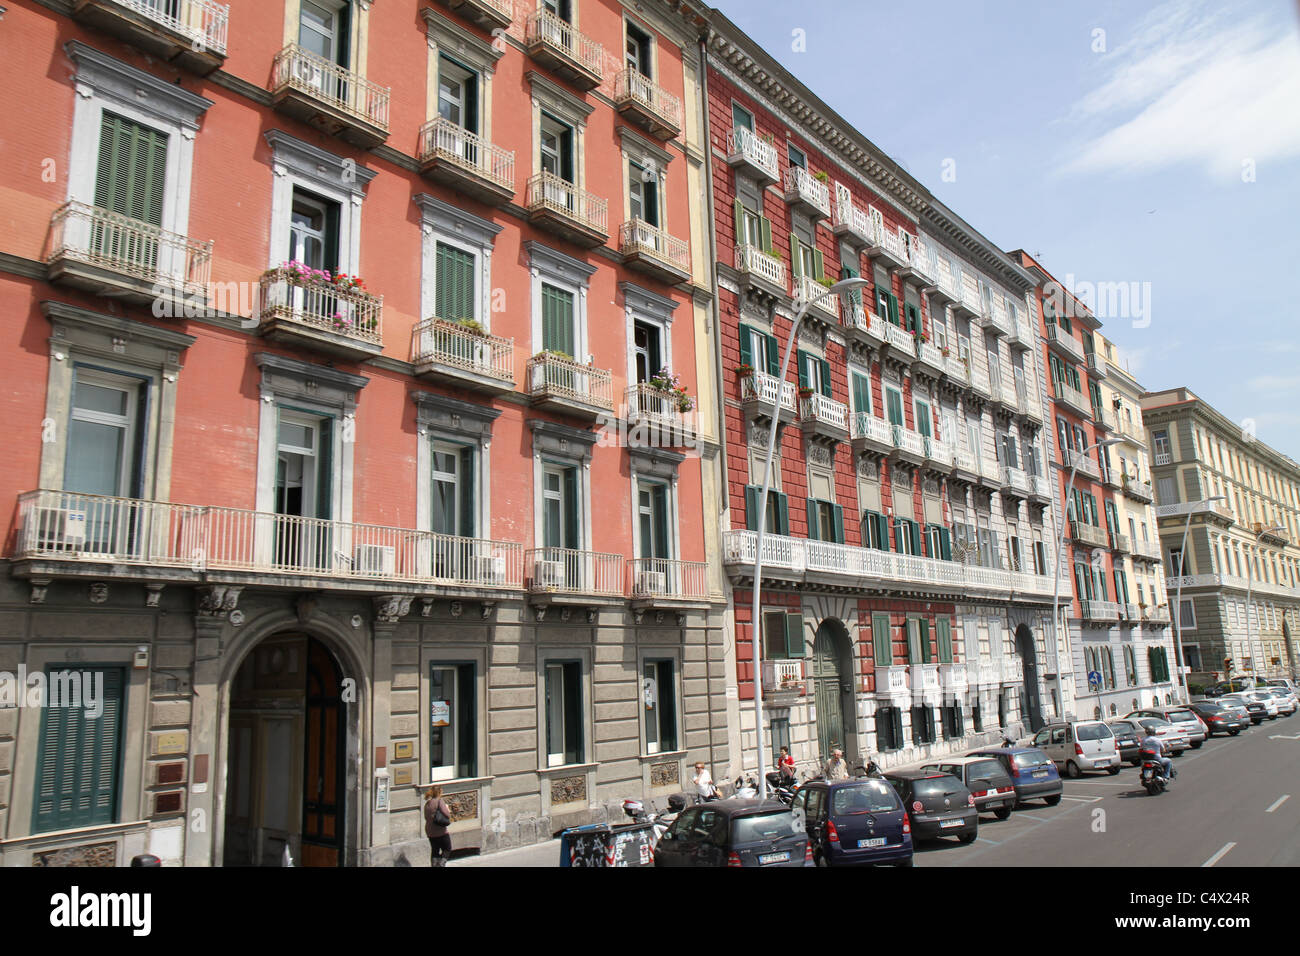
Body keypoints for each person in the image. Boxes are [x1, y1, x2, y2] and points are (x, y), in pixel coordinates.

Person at [423, 785, 453, 866]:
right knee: (447, 848)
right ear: (439, 792)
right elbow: (447, 815)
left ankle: (434, 865)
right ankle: (441, 864)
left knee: (435, 850)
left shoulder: (427, 803)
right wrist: (447, 808)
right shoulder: (439, 801)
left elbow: (426, 817)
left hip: (430, 831)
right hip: (440, 831)